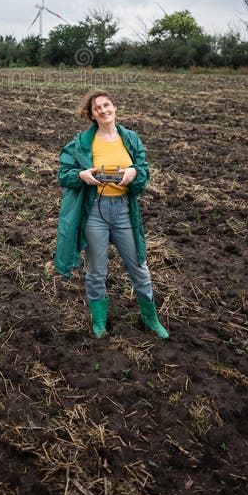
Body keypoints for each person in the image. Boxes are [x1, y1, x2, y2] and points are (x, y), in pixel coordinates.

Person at [54, 89, 168, 339]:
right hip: (95, 210)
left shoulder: (130, 139)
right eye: (97, 108)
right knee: (97, 270)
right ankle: (99, 323)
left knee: (139, 266)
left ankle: (150, 318)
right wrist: (81, 175)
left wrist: (134, 174)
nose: (103, 110)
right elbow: (64, 175)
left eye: (107, 105)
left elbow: (143, 170)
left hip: (124, 210)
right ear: (92, 115)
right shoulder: (83, 142)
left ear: (115, 108)